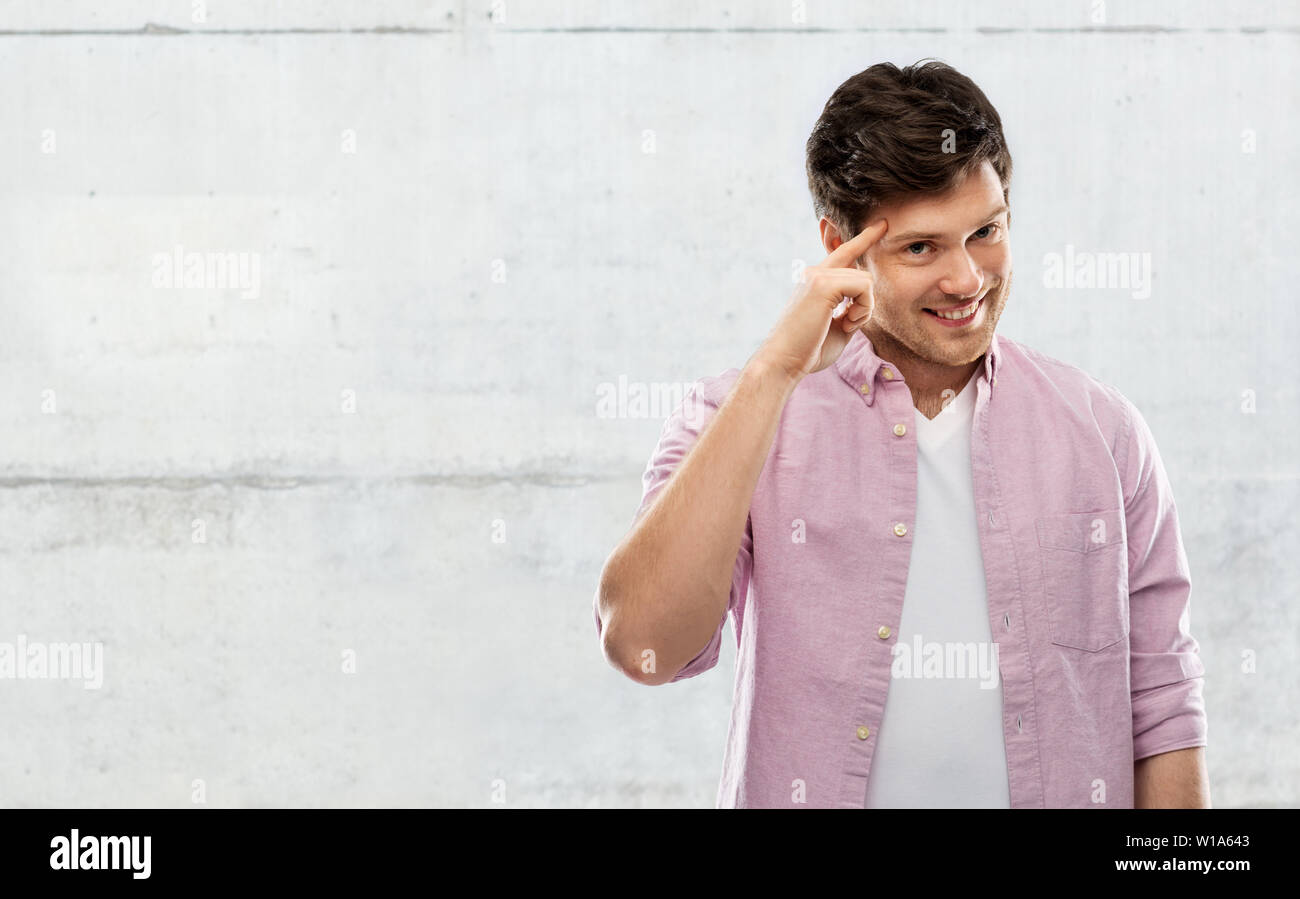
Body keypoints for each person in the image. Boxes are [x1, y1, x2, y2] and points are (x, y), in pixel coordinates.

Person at [593, 59, 1209, 808]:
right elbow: (642, 645)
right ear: (837, 245)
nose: (966, 280)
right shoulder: (739, 414)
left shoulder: (1103, 433)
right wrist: (771, 376)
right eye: (920, 248)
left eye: (985, 232)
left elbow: (1163, 704)